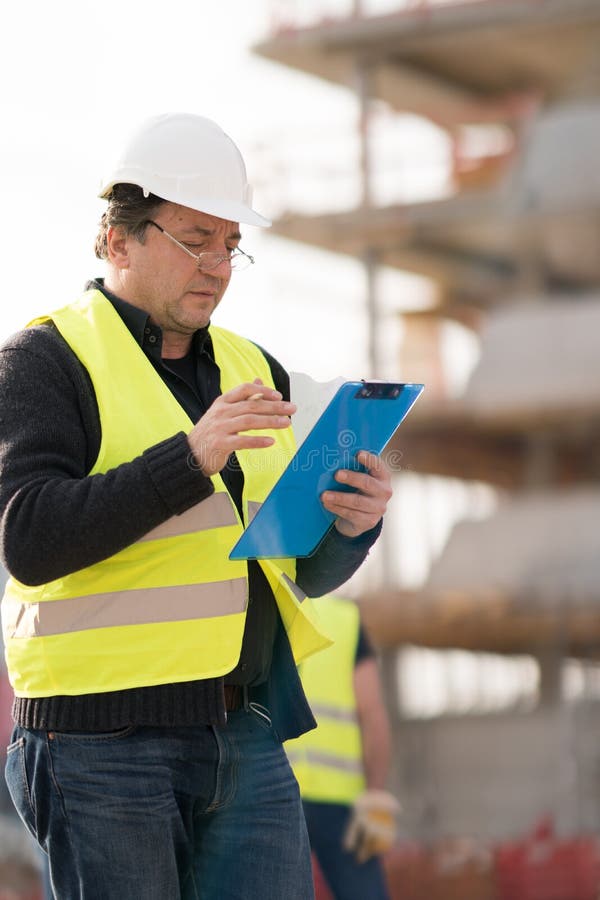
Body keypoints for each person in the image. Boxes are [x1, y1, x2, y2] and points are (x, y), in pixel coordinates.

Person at [0, 113, 393, 900]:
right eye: (192, 240)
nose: (217, 264)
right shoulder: (45, 360)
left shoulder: (257, 367)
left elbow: (296, 570)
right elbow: (28, 538)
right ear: (118, 241)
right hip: (99, 744)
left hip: (243, 735)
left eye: (229, 243)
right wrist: (188, 460)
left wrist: (354, 525)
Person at [286, 595, 399, 900]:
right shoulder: (345, 619)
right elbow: (373, 715)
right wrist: (375, 795)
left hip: (276, 791)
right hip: (341, 802)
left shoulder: (264, 606)